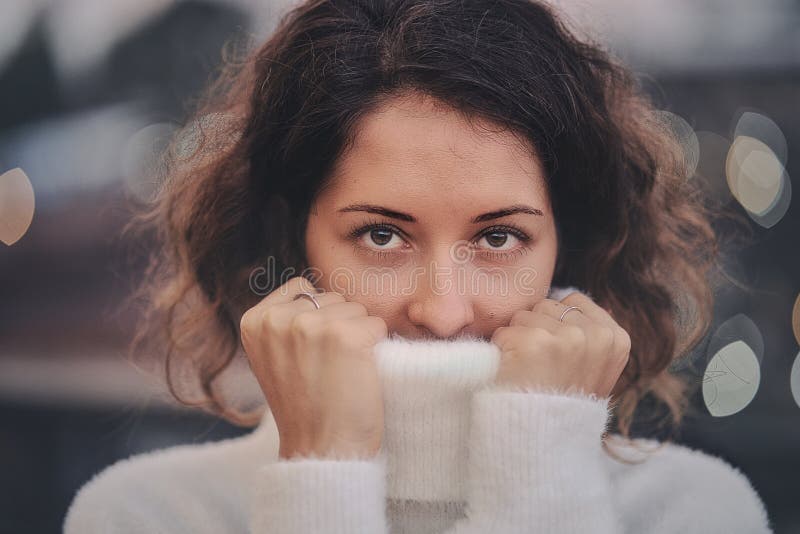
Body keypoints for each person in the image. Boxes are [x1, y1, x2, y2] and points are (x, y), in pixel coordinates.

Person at [64, 0, 772, 532]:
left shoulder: (692, 512)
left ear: (572, 247)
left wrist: (542, 468)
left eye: (498, 240)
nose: (442, 311)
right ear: (291, 243)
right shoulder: (146, 516)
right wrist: (324, 473)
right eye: (380, 236)